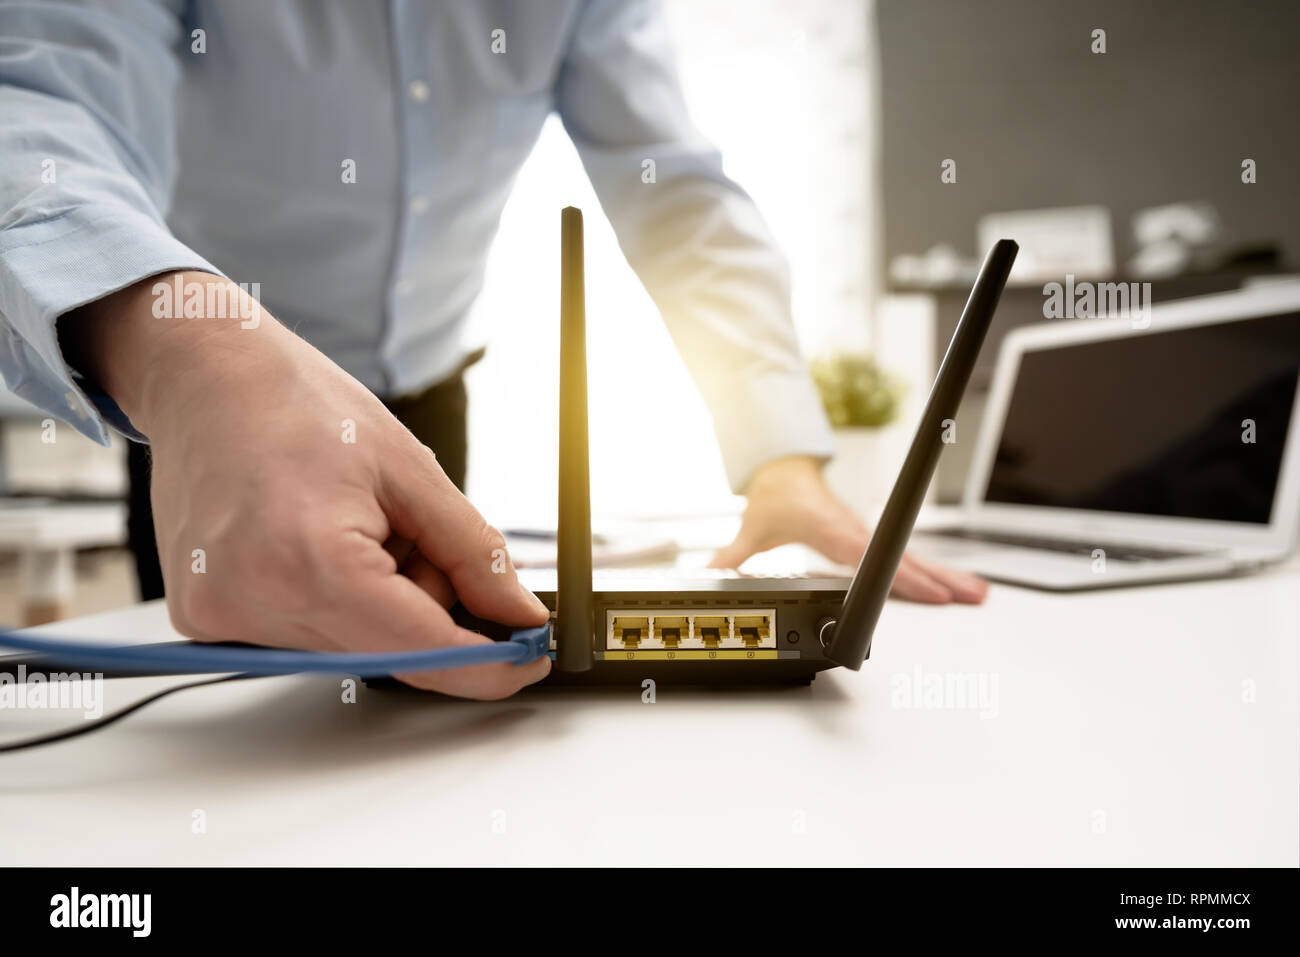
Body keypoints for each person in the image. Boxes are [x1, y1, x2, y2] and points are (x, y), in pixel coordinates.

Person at [0, 0, 985, 700]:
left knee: (430, 705)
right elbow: (39, 105)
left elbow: (676, 194)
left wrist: (780, 456)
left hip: (427, 405)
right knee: (261, 720)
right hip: (209, 402)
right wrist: (188, 355)